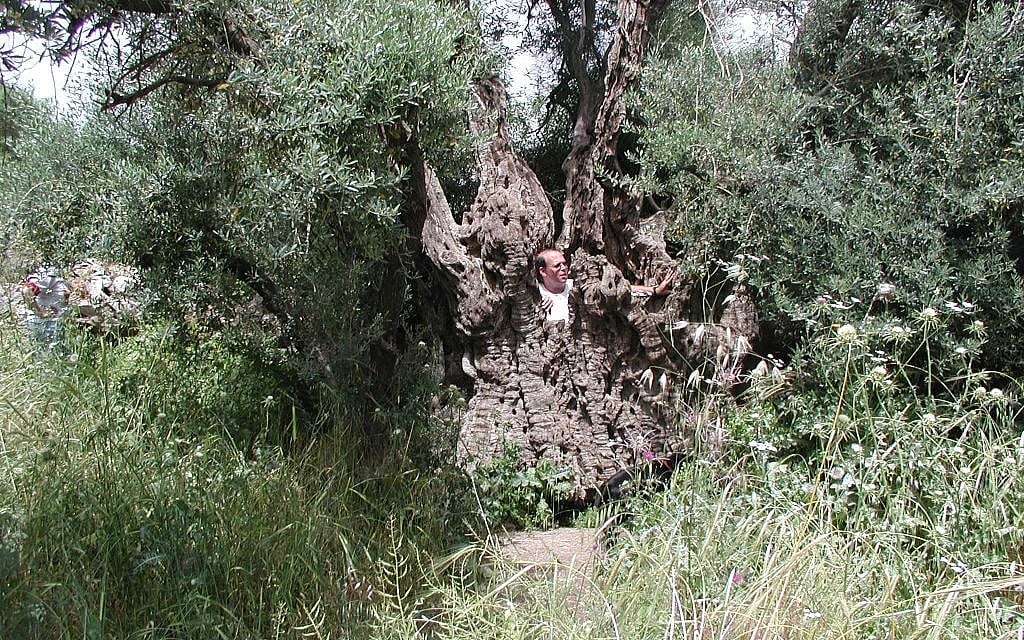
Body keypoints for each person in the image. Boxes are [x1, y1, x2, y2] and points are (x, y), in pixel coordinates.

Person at [534, 249, 673, 323]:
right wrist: (536, 309)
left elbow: (621, 290)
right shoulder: (535, 295)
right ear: (543, 271)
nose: (564, 268)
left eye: (564, 264)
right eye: (557, 266)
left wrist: (654, 291)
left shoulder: (577, 287)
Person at [21, 267, 70, 347]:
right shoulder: (46, 273)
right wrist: (40, 313)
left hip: (56, 323)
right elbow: (27, 291)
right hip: (43, 324)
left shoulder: (63, 269)